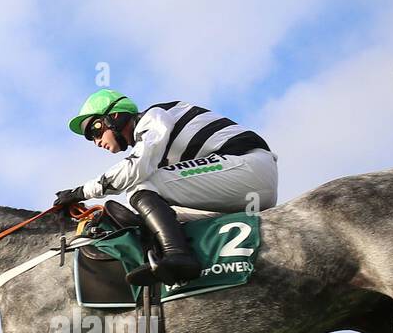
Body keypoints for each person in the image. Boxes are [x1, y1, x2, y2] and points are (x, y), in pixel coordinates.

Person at [54, 89, 277, 286]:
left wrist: (81, 192)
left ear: (114, 117)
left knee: (141, 185)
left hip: (249, 167)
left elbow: (136, 169)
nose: (96, 141)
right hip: (238, 184)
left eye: (95, 131)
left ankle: (178, 256)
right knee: (149, 219)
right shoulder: (153, 149)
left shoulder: (154, 116)